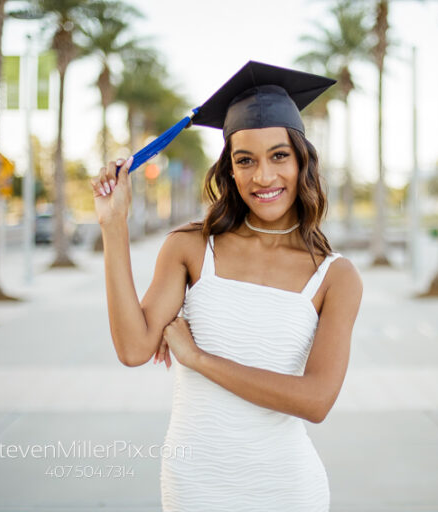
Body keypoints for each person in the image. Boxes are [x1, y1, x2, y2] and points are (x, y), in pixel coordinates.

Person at [90, 61, 362, 512]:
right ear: (230, 171)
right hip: (194, 483)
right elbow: (133, 349)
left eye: (279, 156)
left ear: (302, 162)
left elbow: (315, 401)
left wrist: (197, 358)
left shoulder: (335, 277)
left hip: (287, 488)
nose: (263, 176)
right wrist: (113, 224)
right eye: (245, 160)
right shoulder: (191, 248)